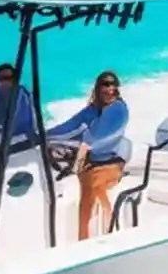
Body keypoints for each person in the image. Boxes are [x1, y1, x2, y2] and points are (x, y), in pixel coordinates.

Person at [45, 70, 129, 241]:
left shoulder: (118, 109)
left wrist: (81, 153)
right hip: (89, 164)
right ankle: (82, 240)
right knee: (77, 190)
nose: (110, 89)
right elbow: (70, 126)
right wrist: (42, 135)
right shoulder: (92, 110)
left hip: (110, 163)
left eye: (113, 85)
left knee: (94, 188)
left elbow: (97, 135)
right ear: (98, 89)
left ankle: (110, 234)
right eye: (105, 85)